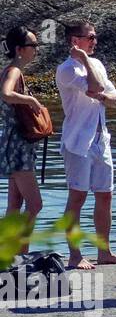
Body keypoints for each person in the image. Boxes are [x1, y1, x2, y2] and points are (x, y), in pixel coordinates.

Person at [55, 20, 116, 269]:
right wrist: (85, 60)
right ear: (75, 41)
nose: (95, 41)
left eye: (95, 37)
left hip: (101, 139)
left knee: (105, 195)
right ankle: (75, 254)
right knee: (77, 197)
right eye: (90, 37)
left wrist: (102, 94)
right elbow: (95, 87)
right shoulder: (67, 69)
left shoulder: (97, 64)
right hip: (78, 141)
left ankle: (104, 251)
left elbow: (115, 99)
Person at [0, 26, 44, 244]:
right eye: (32, 45)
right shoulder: (14, 71)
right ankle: (19, 251)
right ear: (19, 49)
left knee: (15, 204)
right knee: (35, 205)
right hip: (18, 145)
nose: (36, 49)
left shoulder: (12, 70)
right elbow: (6, 94)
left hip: (13, 143)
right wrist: (31, 100)